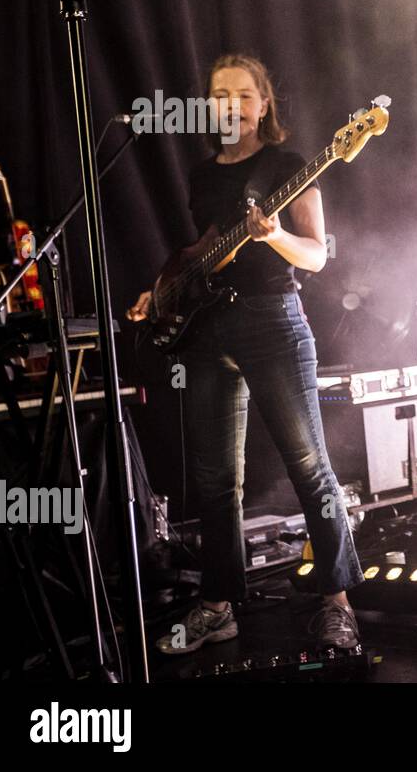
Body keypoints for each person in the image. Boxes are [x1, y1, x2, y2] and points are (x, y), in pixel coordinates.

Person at [127, 54, 363, 654]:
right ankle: (219, 605)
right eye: (218, 94)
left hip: (273, 321)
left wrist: (275, 235)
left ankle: (337, 602)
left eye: (241, 94)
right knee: (214, 482)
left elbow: (316, 255)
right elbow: (199, 253)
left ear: (263, 105)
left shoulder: (290, 167)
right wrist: (160, 295)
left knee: (310, 467)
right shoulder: (202, 177)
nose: (229, 104)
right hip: (208, 333)